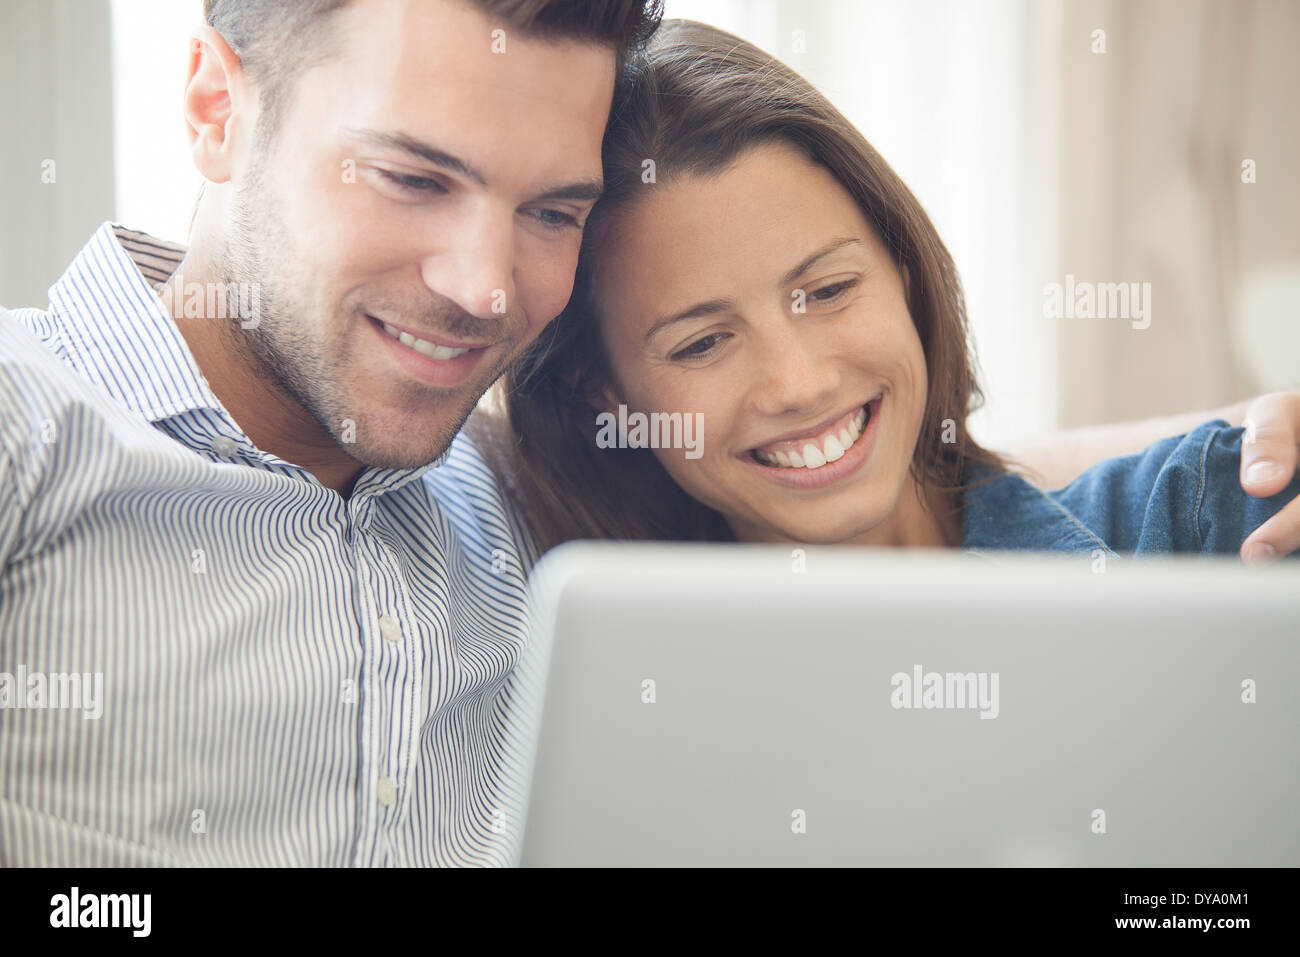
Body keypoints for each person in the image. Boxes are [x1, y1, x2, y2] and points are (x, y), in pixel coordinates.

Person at [0, 3, 1293, 869]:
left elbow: (896, 479)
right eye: (412, 176)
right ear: (216, 108)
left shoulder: (514, 498)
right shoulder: (32, 426)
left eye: (552, 209)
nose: (484, 285)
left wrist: (1244, 434)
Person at [485, 19, 1300, 561]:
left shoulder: (1203, 522)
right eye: (702, 341)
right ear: (605, 396)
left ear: (902, 270)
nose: (799, 383)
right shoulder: (619, 688)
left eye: (830, 288)